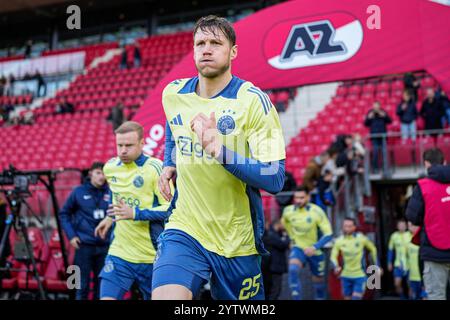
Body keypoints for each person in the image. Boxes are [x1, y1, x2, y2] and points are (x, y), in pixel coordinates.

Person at [153, 15, 286, 300]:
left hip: (236, 241)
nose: (207, 49)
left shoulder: (254, 102)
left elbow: (275, 178)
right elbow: (172, 127)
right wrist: (169, 162)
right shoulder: (173, 93)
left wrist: (220, 151)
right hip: (184, 228)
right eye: (200, 43)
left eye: (216, 42)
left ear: (233, 51)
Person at [94, 121, 172, 300]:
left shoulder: (155, 168)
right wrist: (109, 217)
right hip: (119, 253)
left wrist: (136, 213)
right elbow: (116, 198)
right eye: (119, 145)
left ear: (142, 143)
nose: (122, 150)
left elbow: (171, 209)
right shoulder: (110, 168)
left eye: (128, 145)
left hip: (152, 257)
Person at [59, 162, 111, 300]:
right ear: (91, 174)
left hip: (104, 246)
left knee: (101, 287)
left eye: (104, 173)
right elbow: (64, 214)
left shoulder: (111, 192)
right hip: (84, 246)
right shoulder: (78, 191)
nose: (102, 176)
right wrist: (71, 236)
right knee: (81, 286)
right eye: (98, 173)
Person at [406, 148, 450, 300]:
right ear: (444, 162)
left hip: (434, 251)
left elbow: (412, 216)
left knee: (436, 296)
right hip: (434, 251)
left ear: (426, 163)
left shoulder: (423, 186)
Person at [282, 185, 333, 300]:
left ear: (308, 197)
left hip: (315, 250)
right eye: (296, 198)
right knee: (293, 270)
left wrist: (315, 247)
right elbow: (285, 223)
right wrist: (292, 239)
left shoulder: (317, 211)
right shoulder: (288, 211)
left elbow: (329, 234)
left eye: (302, 198)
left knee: (319, 281)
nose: (299, 201)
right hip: (298, 248)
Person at [330, 217, 380, 300]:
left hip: (360, 275)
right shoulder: (339, 241)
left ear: (354, 227)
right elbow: (333, 256)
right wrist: (336, 267)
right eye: (345, 226)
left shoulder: (361, 238)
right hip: (345, 275)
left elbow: (373, 249)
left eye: (350, 226)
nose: (347, 228)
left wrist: (376, 265)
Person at [264, 219, 290, 300]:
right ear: (278, 224)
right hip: (274, 267)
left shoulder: (275, 234)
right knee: (275, 290)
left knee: (275, 289)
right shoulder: (271, 235)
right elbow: (282, 244)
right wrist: (286, 236)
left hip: (274, 266)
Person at [364, 101, 392, 172]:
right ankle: (375, 168)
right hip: (374, 137)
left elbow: (390, 121)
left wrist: (384, 116)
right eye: (374, 106)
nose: (375, 108)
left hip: (383, 137)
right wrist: (369, 117)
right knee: (375, 153)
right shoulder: (370, 113)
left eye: (377, 106)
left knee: (384, 153)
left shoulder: (383, 112)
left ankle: (385, 168)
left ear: (379, 106)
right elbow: (365, 123)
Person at [387, 219, 411, 299]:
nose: (401, 227)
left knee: (410, 285)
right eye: (400, 225)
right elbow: (390, 250)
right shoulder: (394, 236)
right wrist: (389, 262)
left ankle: (411, 298)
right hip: (398, 264)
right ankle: (402, 297)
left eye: (403, 225)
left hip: (409, 264)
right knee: (397, 284)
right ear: (397, 226)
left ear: (406, 226)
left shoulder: (410, 234)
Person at [406, 222, 427, 300]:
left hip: (424, 276)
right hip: (412, 275)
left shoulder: (424, 237)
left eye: (412, 225)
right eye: (409, 226)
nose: (410, 227)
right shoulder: (407, 238)